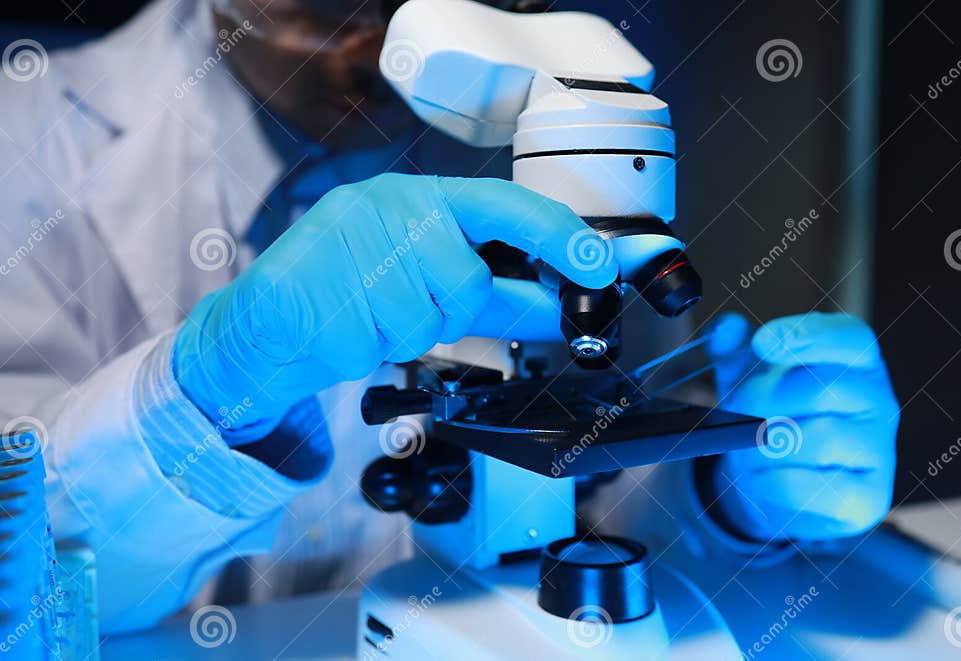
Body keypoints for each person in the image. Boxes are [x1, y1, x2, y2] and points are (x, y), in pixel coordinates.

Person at [0, 0, 899, 634]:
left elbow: (596, 468)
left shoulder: (527, 104)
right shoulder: (24, 133)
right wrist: (215, 383)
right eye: (328, 8)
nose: (373, 44)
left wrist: (731, 493)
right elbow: (20, 584)